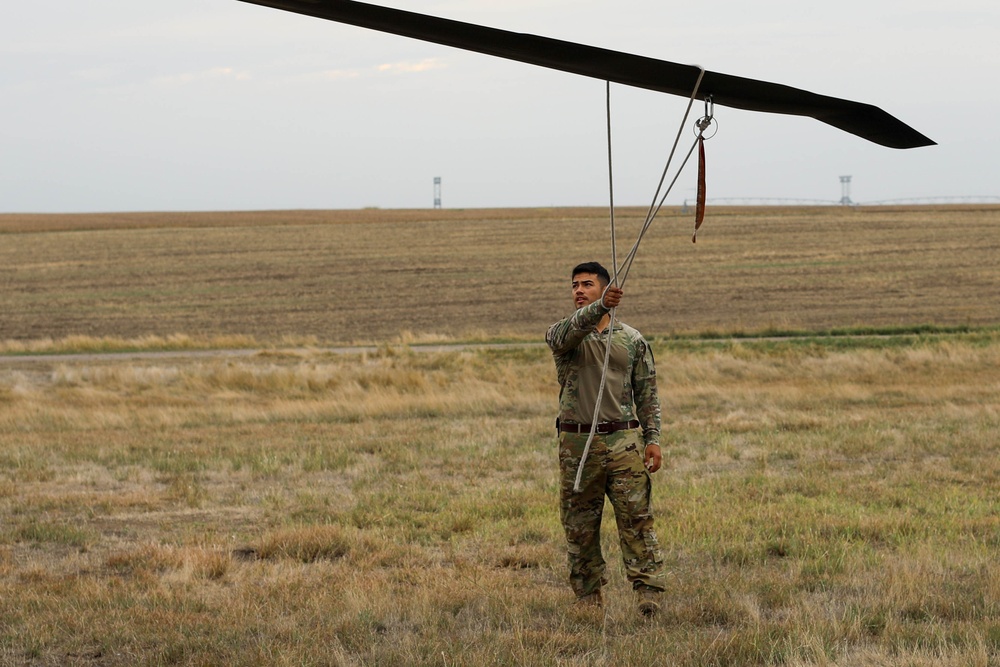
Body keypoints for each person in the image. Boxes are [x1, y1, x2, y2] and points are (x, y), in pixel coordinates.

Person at [545, 261, 666, 616]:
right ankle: (588, 597)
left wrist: (653, 438)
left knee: (637, 518)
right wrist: (601, 306)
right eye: (574, 286)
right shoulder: (564, 336)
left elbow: (647, 393)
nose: (578, 291)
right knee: (579, 524)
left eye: (587, 285)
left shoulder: (631, 339)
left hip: (624, 441)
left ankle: (649, 593)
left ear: (606, 288)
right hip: (577, 445)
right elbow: (568, 331)